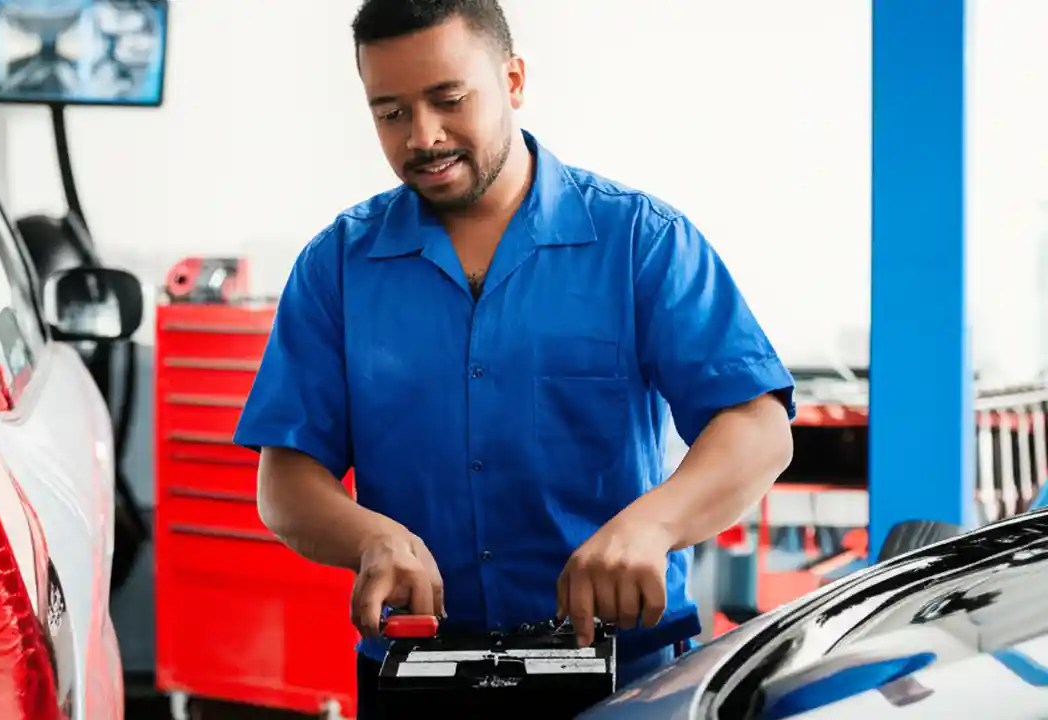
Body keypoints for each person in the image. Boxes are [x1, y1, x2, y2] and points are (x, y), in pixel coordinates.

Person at [233, 0, 796, 715]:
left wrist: (654, 524)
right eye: (391, 112)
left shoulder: (640, 241)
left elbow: (755, 426)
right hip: (417, 669)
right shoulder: (337, 266)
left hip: (623, 669)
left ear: (514, 79)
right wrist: (369, 538)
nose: (424, 136)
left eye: (449, 99)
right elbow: (284, 479)